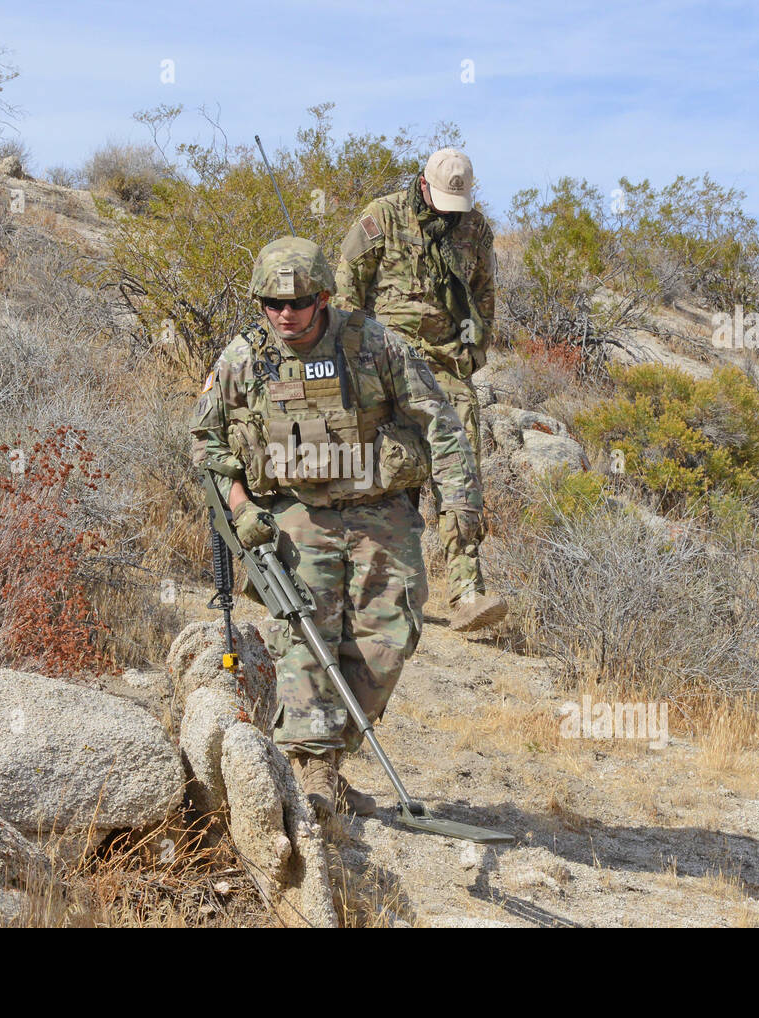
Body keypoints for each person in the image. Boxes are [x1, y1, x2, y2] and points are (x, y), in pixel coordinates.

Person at [190, 237, 484, 818]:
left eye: (298, 301)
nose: (285, 314)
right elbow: (207, 441)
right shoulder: (242, 359)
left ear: (323, 296)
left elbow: (441, 424)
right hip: (296, 511)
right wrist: (241, 506)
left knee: (388, 637)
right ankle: (312, 769)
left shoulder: (373, 343)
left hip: (381, 509)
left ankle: (329, 753)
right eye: (272, 303)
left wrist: (460, 503)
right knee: (304, 634)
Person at [334, 147, 508, 632]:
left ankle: (467, 590)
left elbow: (485, 295)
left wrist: (473, 351)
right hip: (386, 362)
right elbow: (347, 288)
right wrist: (355, 358)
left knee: (461, 468)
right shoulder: (381, 217)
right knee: (394, 470)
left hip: (447, 364)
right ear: (424, 183)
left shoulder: (475, 229)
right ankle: (394, 588)